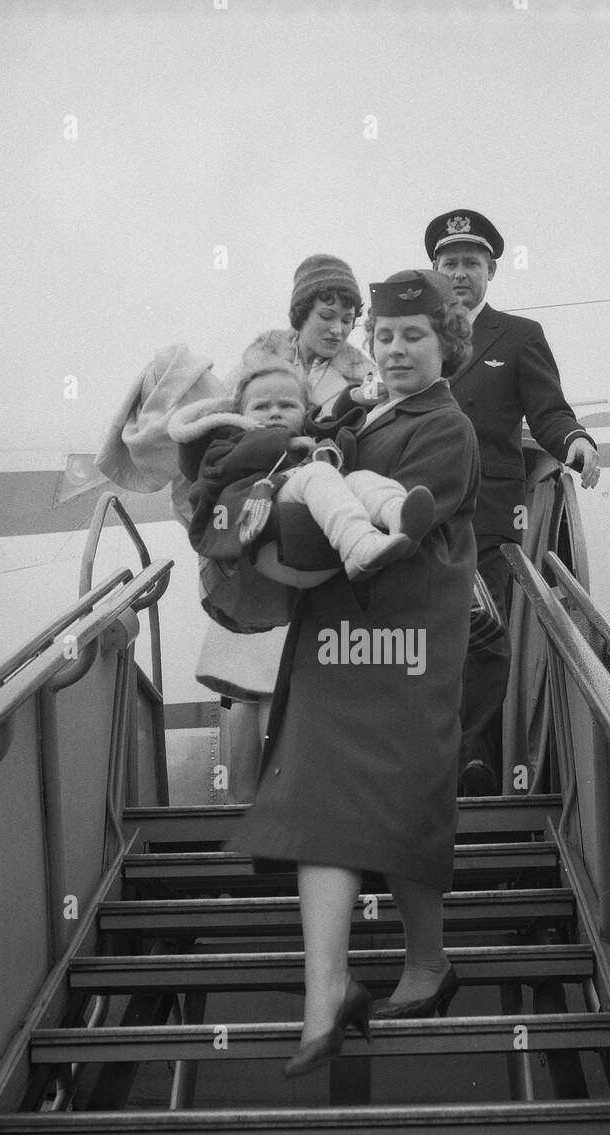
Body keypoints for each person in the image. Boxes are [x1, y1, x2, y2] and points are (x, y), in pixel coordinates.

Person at [227, 269, 479, 1076]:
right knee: (317, 807)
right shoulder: (359, 416)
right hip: (339, 648)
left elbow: (404, 521)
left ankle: (427, 963)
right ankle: (325, 989)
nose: (397, 349)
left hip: (398, 651)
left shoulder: (448, 428)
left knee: (400, 802)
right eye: (387, 337)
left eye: (416, 336)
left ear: (446, 346)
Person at [424, 209, 601, 797]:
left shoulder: (519, 336)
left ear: (491, 270)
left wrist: (573, 440)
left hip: (487, 517)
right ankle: (429, 766)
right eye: (449, 263)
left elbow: (547, 409)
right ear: (434, 270)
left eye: (471, 263)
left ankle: (474, 764)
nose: (460, 273)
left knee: (483, 634)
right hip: (416, 515)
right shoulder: (411, 335)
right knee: (421, 639)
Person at [195, 255, 375, 799]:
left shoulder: (361, 374)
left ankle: (280, 808)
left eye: (347, 318)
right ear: (301, 311)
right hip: (243, 543)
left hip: (302, 549)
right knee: (238, 690)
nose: (338, 329)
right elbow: (216, 438)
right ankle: (235, 805)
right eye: (327, 314)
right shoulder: (257, 362)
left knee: (285, 684)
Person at [168, 359, 435, 582]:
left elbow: (334, 425)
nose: (274, 413)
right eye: (261, 407)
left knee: (359, 479)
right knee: (317, 474)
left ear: (305, 411)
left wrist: (356, 399)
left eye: (287, 406)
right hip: (259, 516)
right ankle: (358, 546)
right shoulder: (229, 441)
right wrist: (285, 442)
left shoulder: (310, 435)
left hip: (303, 521)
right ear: (241, 413)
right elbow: (225, 465)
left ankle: (399, 517)